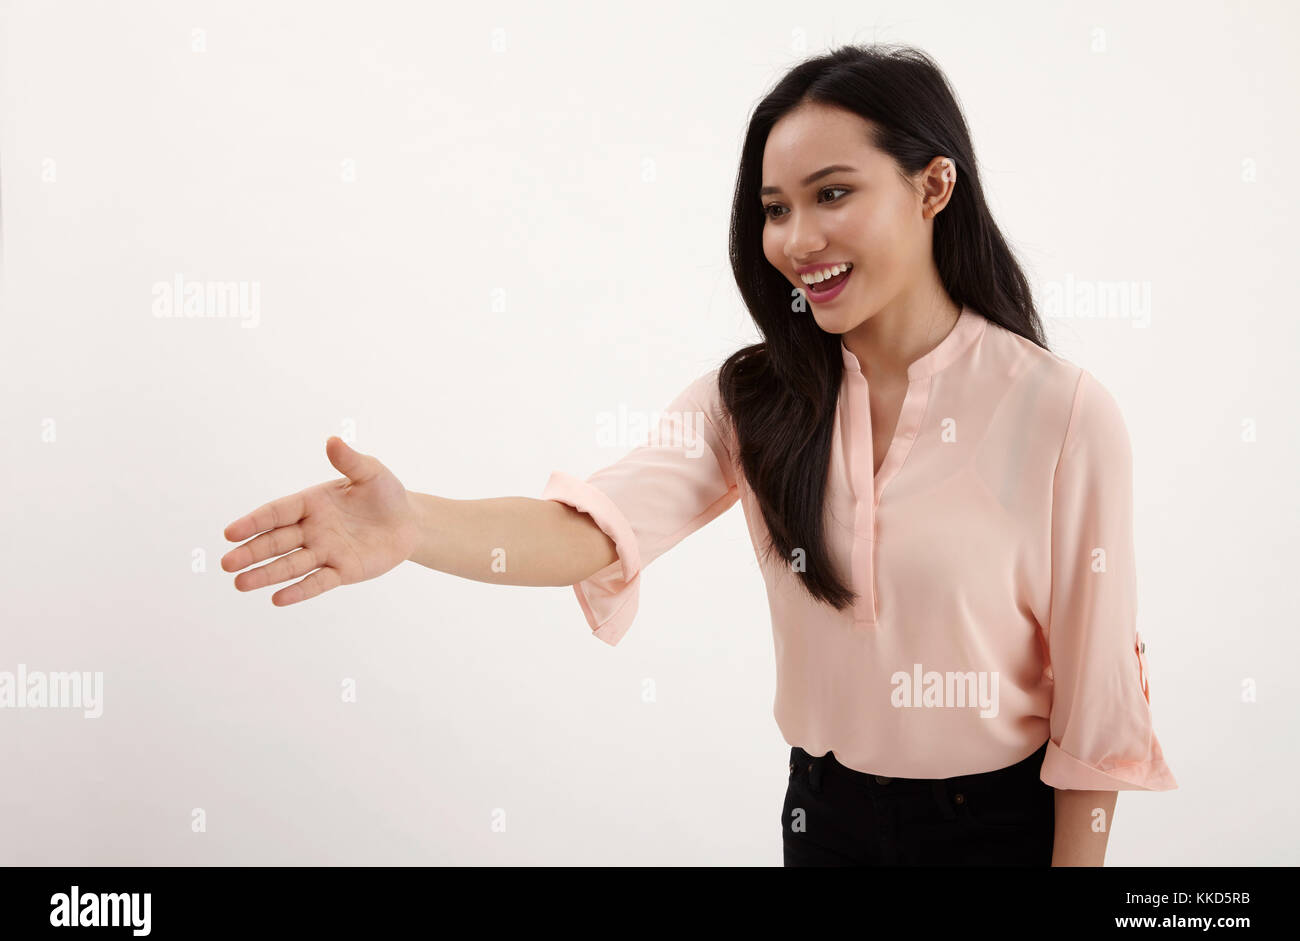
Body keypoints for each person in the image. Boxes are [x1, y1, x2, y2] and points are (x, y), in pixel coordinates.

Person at [221, 43, 1176, 867]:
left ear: (933, 187)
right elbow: (597, 528)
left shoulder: (1064, 415)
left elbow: (1094, 712)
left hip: (995, 831)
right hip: (824, 819)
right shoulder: (755, 397)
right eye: (774, 209)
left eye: (832, 195)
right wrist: (415, 523)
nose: (797, 240)